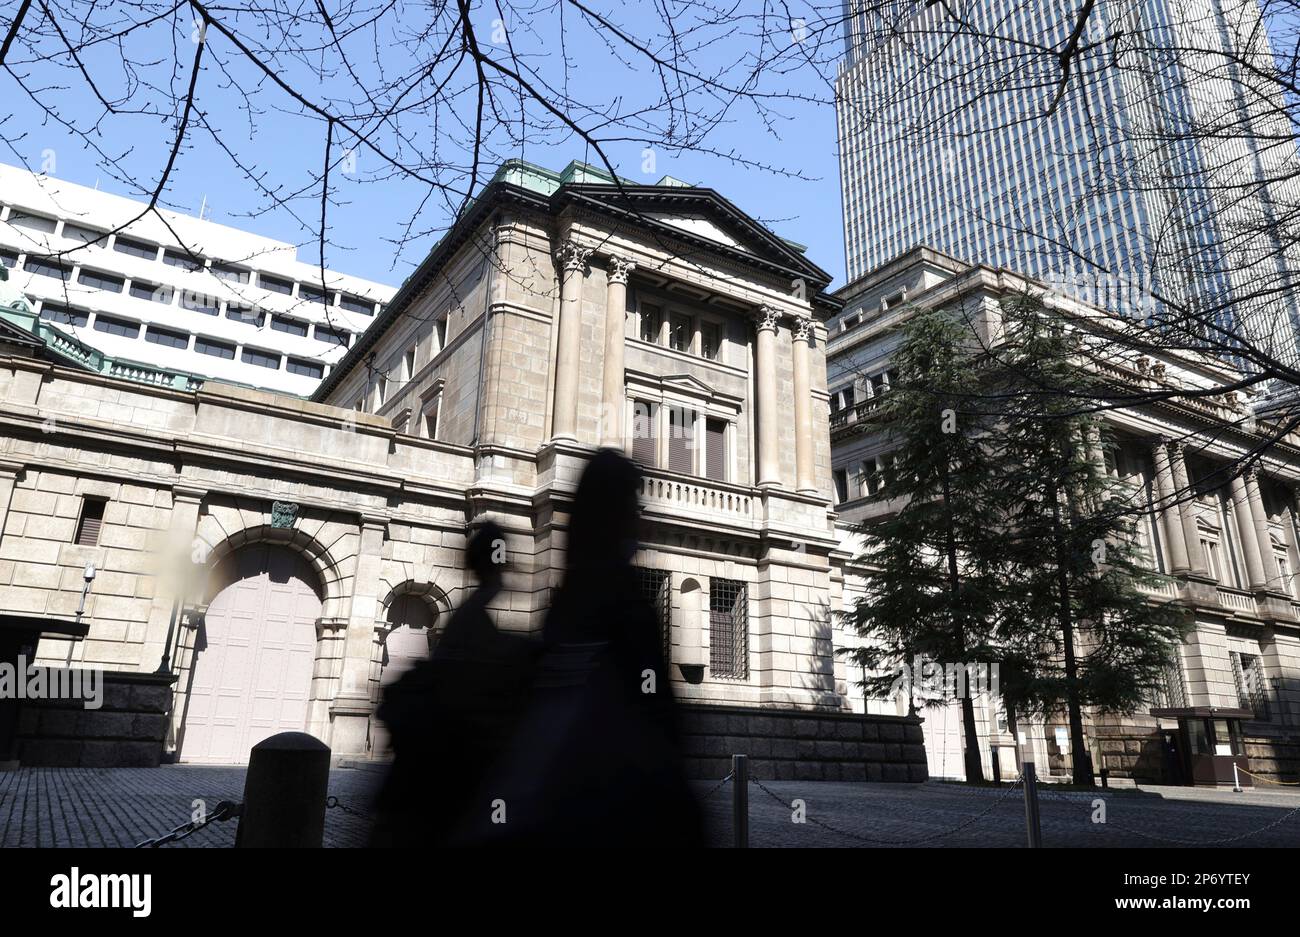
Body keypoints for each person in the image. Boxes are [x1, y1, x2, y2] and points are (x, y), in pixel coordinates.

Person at [459, 449, 703, 846]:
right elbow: (656, 713)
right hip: (604, 801)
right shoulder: (622, 597)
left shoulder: (568, 596)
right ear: (618, 513)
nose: (640, 517)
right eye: (632, 505)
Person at [370, 520, 537, 846]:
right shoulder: (473, 619)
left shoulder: (469, 617)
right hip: (443, 784)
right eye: (500, 563)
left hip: (432, 782)